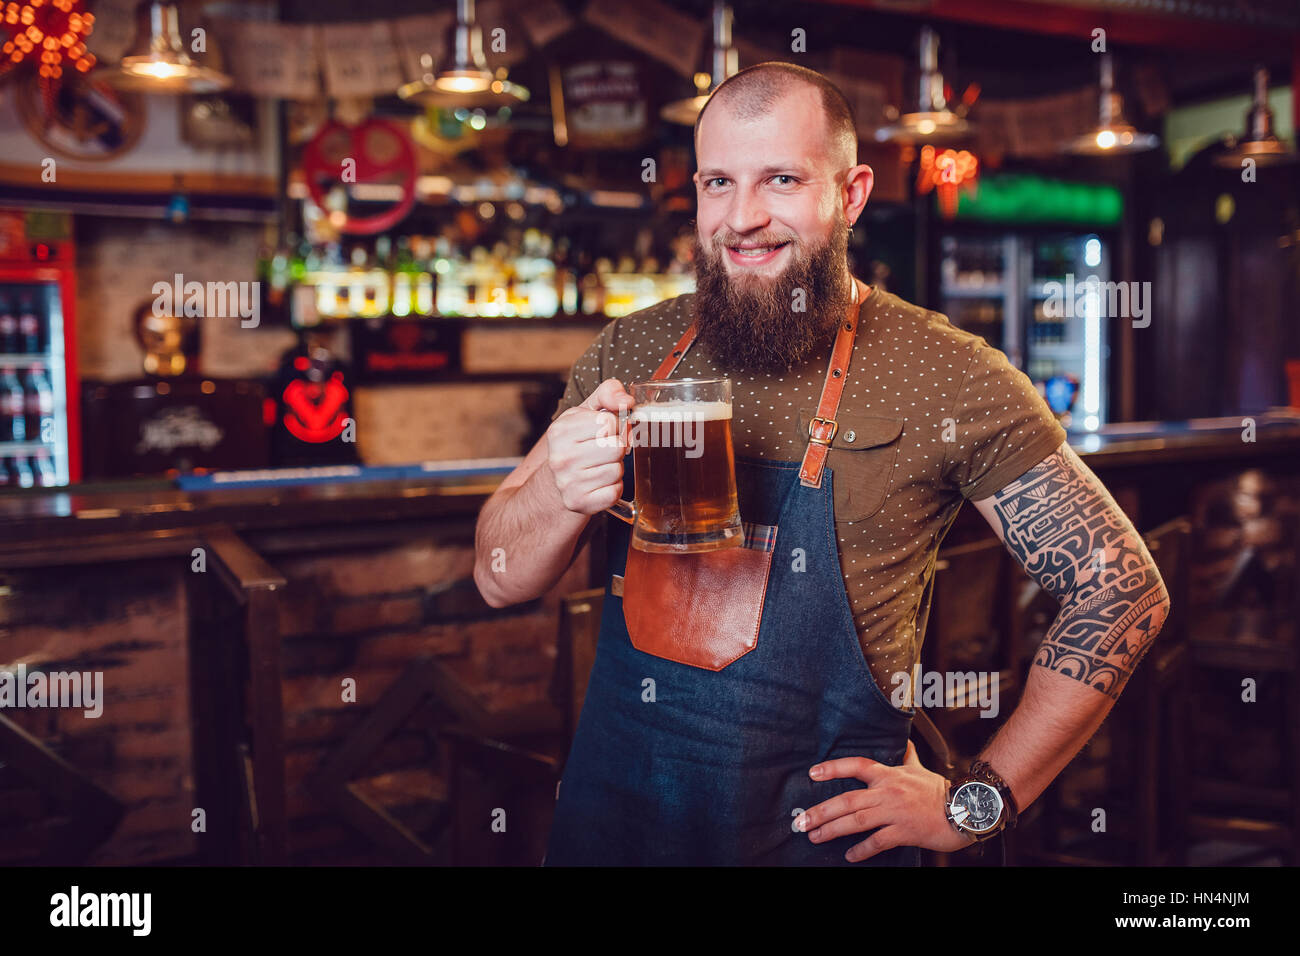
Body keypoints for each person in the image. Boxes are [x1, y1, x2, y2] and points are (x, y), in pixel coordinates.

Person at [473, 61, 1170, 865]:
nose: (742, 217)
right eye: (716, 182)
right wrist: (559, 494)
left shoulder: (944, 371)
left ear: (852, 193)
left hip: (814, 842)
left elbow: (1121, 589)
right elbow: (497, 575)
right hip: (617, 823)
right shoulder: (633, 347)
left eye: (781, 179)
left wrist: (972, 804)